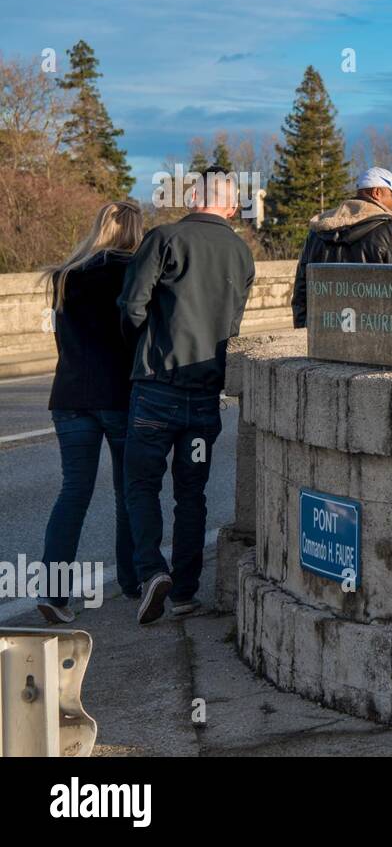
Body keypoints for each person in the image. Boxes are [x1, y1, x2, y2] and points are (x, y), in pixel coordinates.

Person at [119, 167, 256, 624]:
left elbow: (132, 306)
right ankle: (185, 591)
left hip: (156, 387)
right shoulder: (241, 253)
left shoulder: (165, 239)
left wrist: (140, 348)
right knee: (191, 494)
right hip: (204, 397)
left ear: (193, 196)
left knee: (140, 485)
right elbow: (233, 325)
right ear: (232, 206)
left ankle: (152, 571)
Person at [36, 202, 145, 623]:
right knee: (127, 492)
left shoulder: (66, 275)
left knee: (73, 493)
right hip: (118, 396)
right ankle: (133, 580)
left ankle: (52, 591)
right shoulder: (134, 273)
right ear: (134, 231)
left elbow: (63, 342)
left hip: (69, 396)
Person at [291, 167, 392, 328]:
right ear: (377, 192)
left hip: (325, 331)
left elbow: (301, 290)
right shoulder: (391, 233)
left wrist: (303, 332)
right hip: (374, 335)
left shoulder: (317, 232)